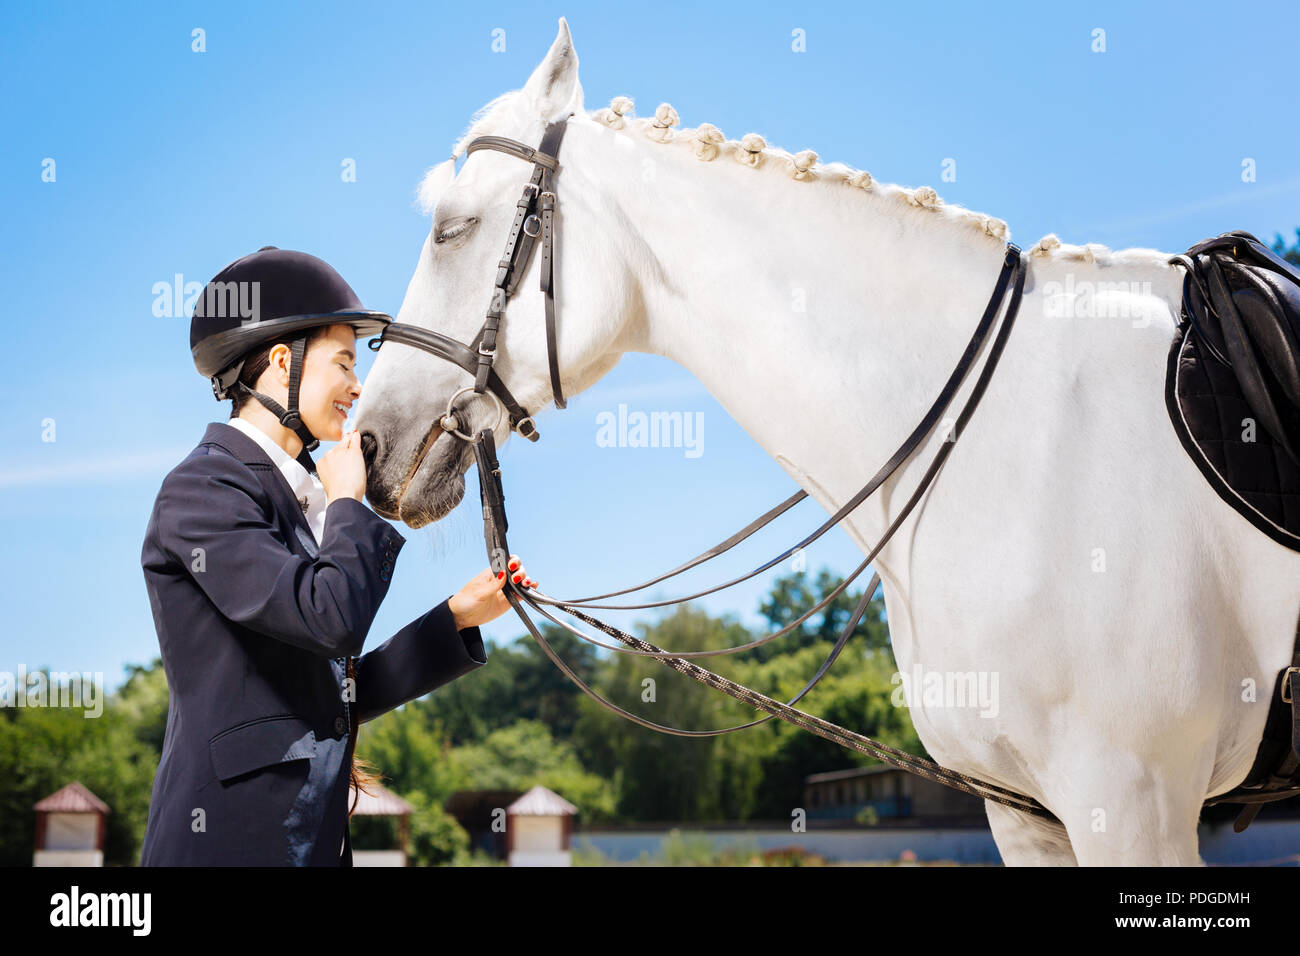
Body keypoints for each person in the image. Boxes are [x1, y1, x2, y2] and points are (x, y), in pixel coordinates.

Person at [139, 246, 533, 865]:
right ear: (278, 363)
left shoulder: (296, 500)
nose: (358, 386)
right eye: (344, 363)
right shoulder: (202, 492)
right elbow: (331, 620)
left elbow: (334, 700)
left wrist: (454, 620)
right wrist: (348, 502)